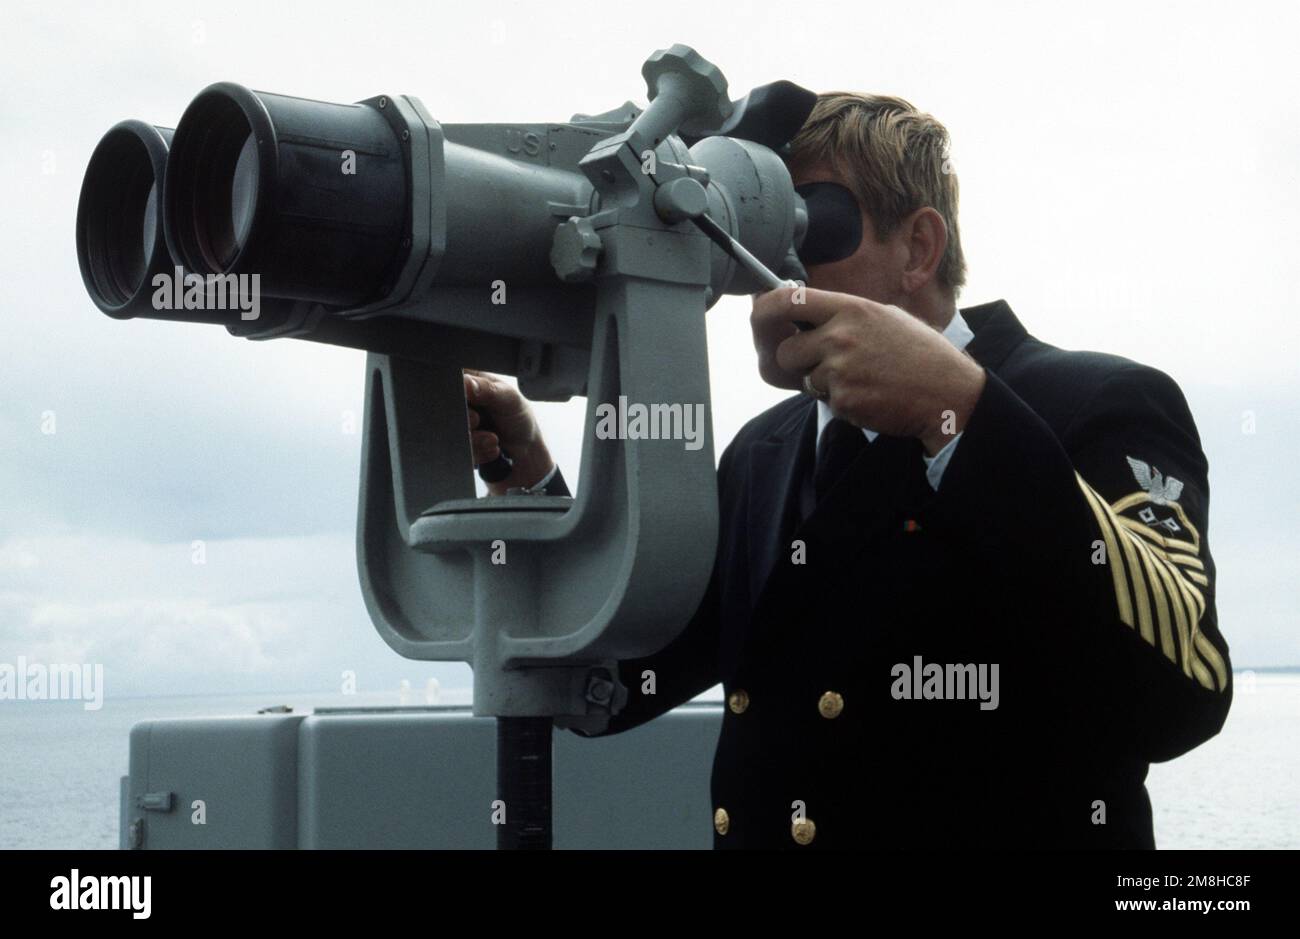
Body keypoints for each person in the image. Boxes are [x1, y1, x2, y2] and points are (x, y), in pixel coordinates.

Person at [463, 93, 1232, 849]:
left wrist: (962, 414)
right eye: (755, 219)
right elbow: (626, 676)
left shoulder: (1095, 404)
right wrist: (531, 481)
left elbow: (1182, 691)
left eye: (814, 220)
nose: (774, 260)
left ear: (919, 249)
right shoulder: (763, 454)